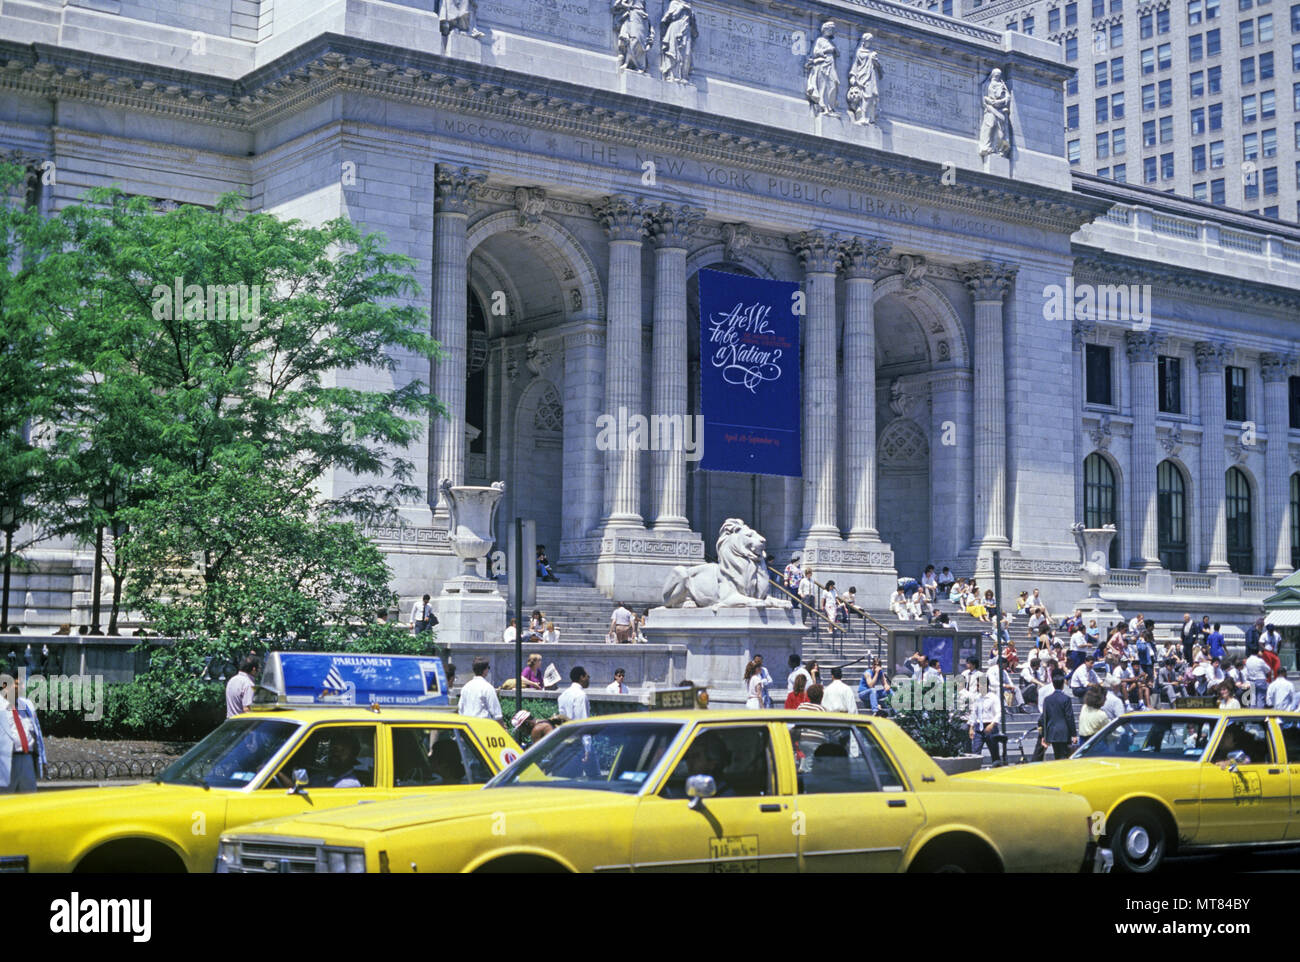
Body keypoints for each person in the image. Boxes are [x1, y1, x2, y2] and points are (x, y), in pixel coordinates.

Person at [0, 674, 44, 792]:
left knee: (29, 801)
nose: (21, 687)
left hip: (27, 759)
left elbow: (37, 732)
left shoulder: (27, 705)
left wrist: (42, 760)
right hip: (5, 762)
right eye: (17, 684)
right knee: (5, 803)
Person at [1038, 671, 1077, 760]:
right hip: (1064, 731)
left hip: (1053, 731)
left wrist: (1044, 735)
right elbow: (1069, 717)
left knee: (1057, 755)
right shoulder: (1066, 699)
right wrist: (1074, 734)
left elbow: (1045, 718)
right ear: (1063, 684)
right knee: (1065, 756)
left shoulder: (1047, 699)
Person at [457, 657, 504, 722]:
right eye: (488, 668)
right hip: (482, 725)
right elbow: (496, 713)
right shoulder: (488, 688)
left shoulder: (465, 687)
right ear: (485, 670)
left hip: (467, 726)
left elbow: (460, 709)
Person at [970, 683, 1002, 765]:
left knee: (994, 752)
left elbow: (998, 713)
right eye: (977, 685)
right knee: (975, 752)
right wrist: (971, 727)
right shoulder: (977, 697)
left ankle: (997, 769)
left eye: (979, 685)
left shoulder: (993, 697)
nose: (977, 687)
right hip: (978, 727)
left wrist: (992, 725)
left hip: (990, 726)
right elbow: (974, 713)